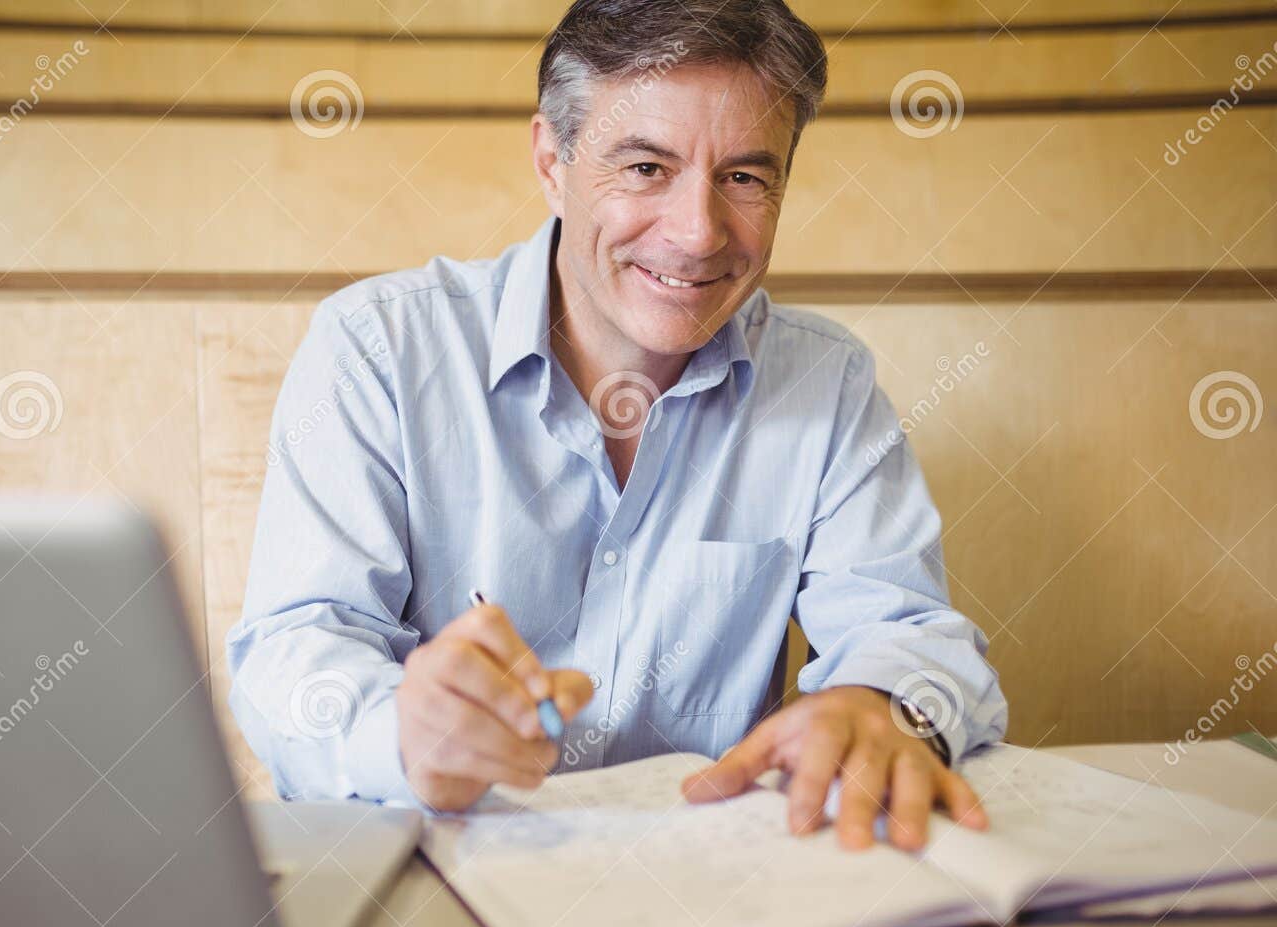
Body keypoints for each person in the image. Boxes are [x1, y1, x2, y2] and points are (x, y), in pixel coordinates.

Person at [227, 0, 1008, 851]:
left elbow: (908, 634)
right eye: (645, 167)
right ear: (551, 162)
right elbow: (293, 653)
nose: (697, 233)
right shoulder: (377, 348)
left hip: (717, 893)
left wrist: (881, 706)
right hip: (438, 879)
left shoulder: (828, 383)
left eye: (745, 178)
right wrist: (400, 734)